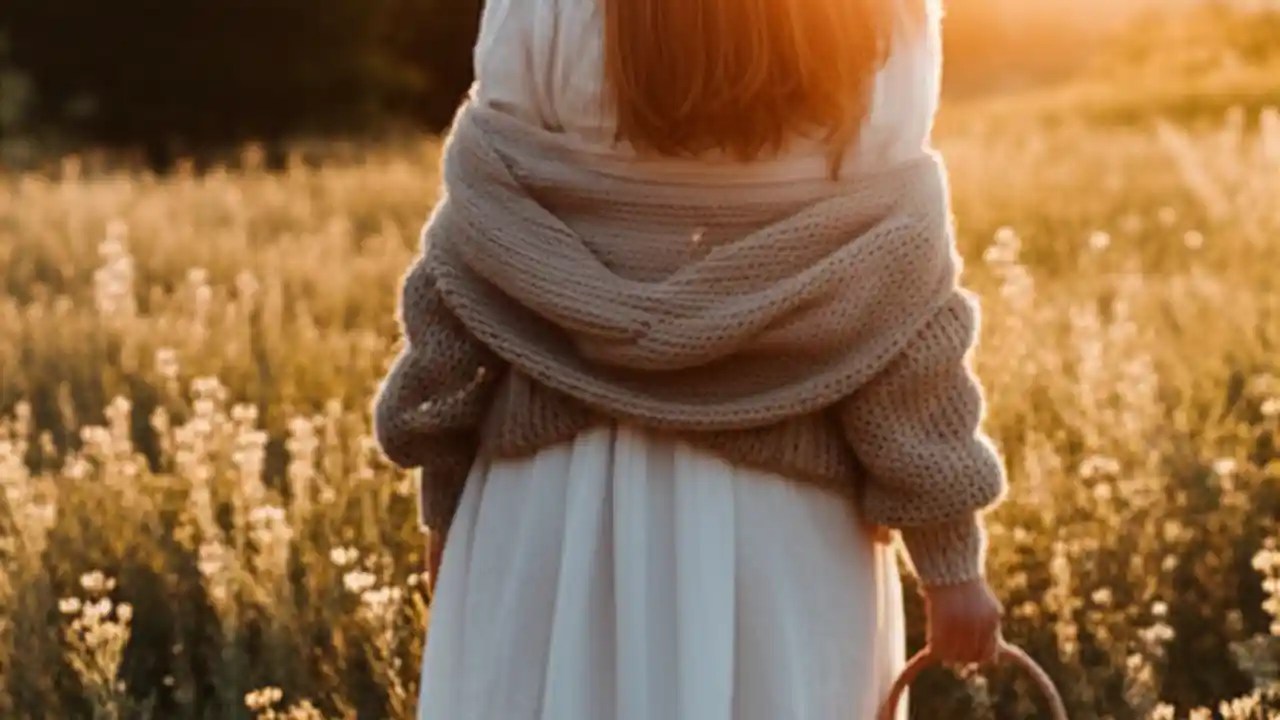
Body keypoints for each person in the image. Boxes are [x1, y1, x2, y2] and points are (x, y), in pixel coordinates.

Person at [374, 0, 1007, 716]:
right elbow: (898, 302)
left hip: (550, 505)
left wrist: (444, 503)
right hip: (783, 534)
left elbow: (473, 260)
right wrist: (949, 562)